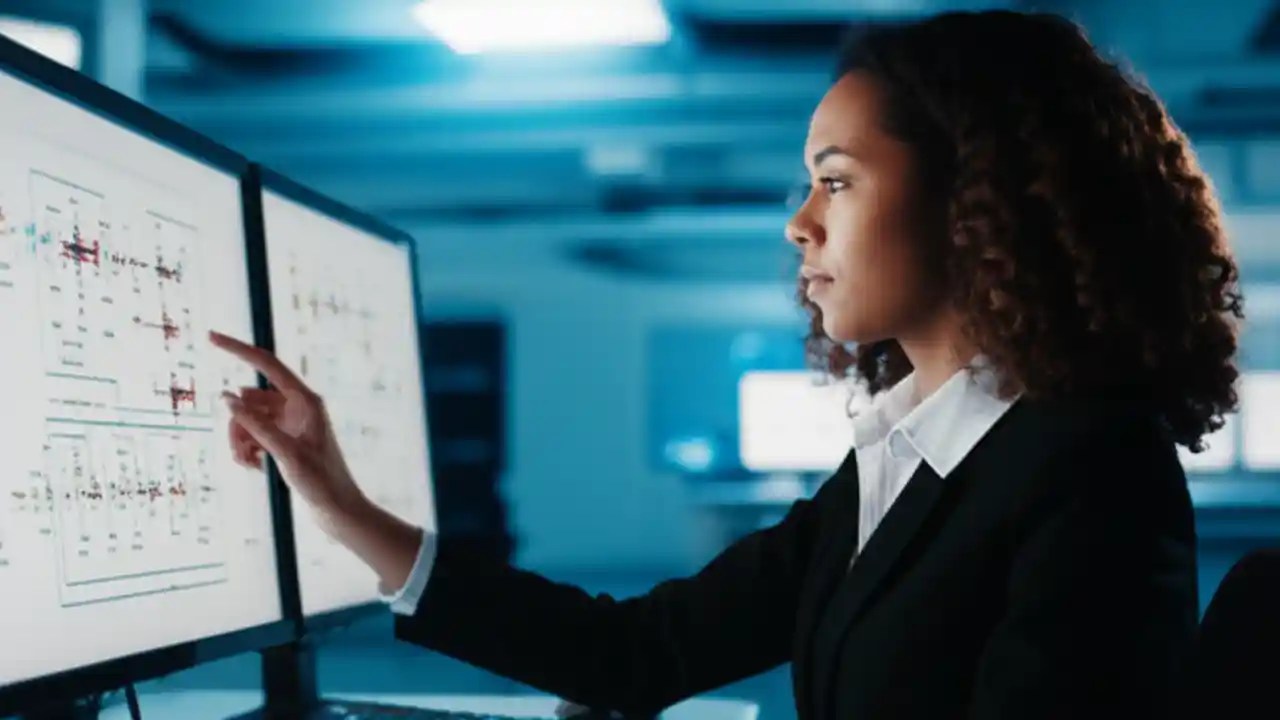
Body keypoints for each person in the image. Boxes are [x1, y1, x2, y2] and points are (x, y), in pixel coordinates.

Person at [212, 9, 1244, 719]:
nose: (800, 225)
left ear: (974, 201)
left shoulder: (1090, 471)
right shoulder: (901, 464)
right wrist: (343, 503)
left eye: (837, 182)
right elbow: (638, 653)